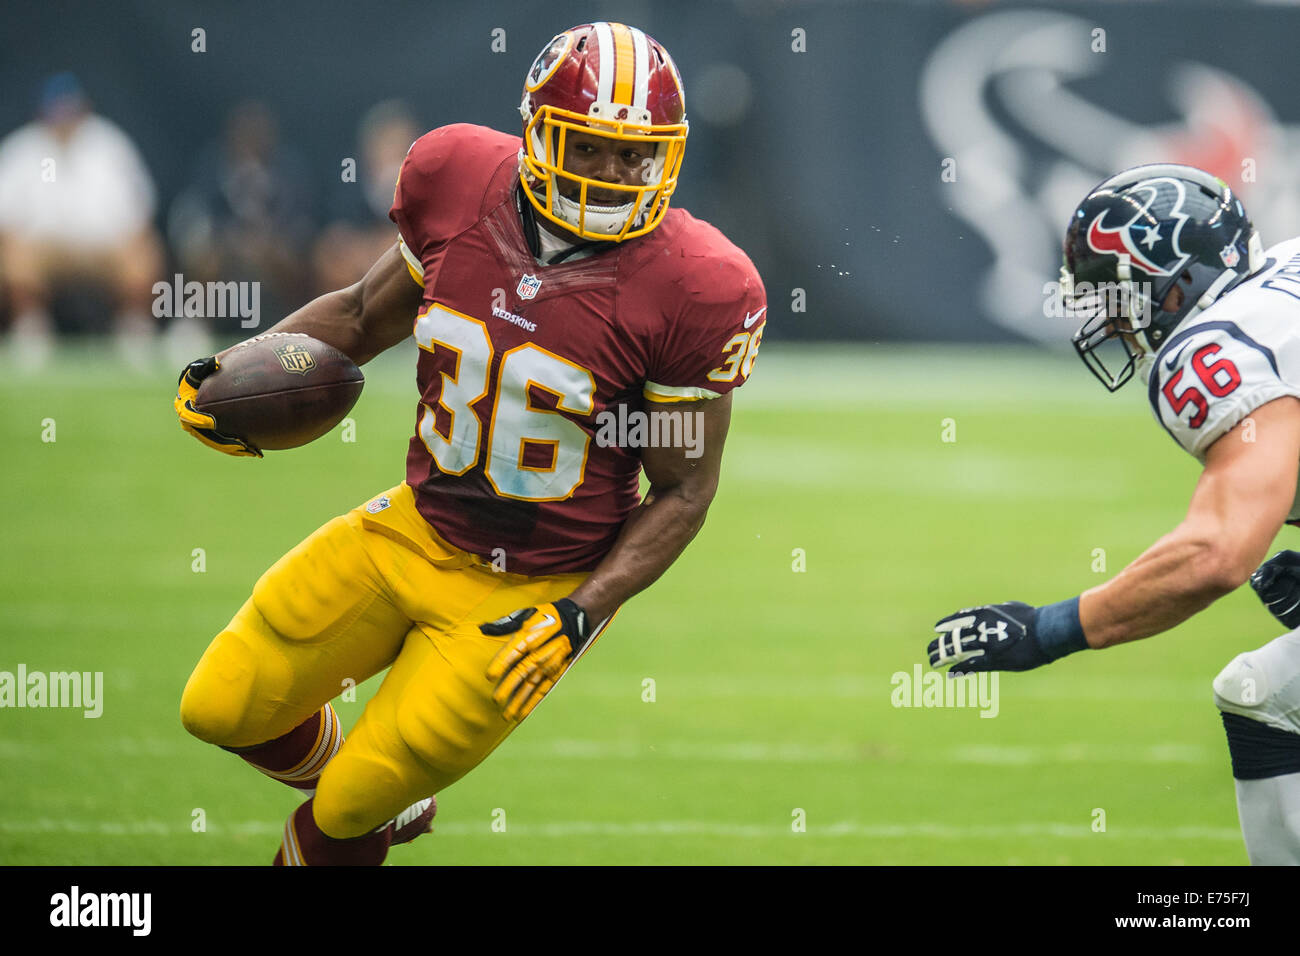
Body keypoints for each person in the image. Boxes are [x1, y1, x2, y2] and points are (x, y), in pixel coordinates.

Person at [173, 21, 766, 866]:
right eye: (593, 147)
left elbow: (683, 491)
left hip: (524, 598)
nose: (615, 174)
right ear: (539, 133)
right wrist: (233, 373)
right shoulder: (456, 180)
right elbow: (355, 317)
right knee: (218, 706)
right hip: (414, 527)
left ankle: (363, 817)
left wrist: (579, 618)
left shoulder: (697, 285)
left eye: (638, 156)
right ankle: (386, 808)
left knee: (341, 812)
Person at [925, 162, 1300, 865]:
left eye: (1118, 292)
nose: (1114, 316)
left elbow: (1216, 555)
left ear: (1178, 280)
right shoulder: (1286, 274)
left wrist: (1049, 630)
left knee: (1262, 692)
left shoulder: (1219, 347)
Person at [0, 73, 164, 369]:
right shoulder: (21, 150)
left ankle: (133, 330)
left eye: (70, 110)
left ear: (83, 109)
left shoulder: (110, 146)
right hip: (46, 253)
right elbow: (6, 222)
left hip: (101, 252)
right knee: (14, 253)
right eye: (57, 110)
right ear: (43, 112)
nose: (64, 119)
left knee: (142, 249)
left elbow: (139, 215)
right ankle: (30, 328)